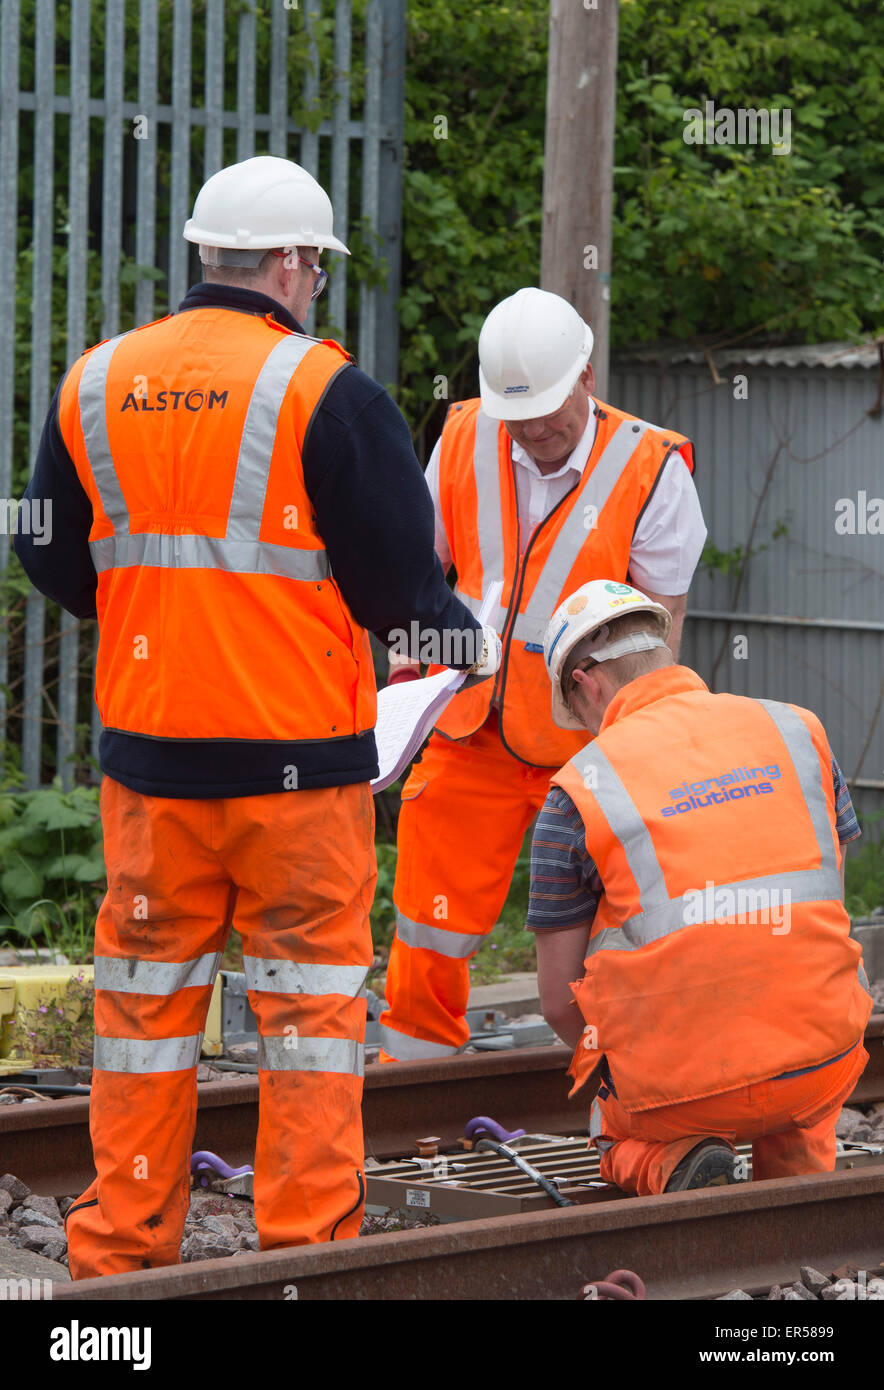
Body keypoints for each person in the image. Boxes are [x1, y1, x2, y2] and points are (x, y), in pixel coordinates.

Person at [14, 155, 499, 1277]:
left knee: (141, 1012)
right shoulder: (326, 392)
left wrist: (153, 608)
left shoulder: (96, 381)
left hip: (150, 773)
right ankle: (303, 1252)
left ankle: (119, 1258)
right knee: (310, 1013)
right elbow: (397, 593)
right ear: (290, 263)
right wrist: (458, 640)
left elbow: (45, 545)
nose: (314, 284)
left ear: (203, 255)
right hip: (298, 777)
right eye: (315, 267)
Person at [378, 287, 706, 1062]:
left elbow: (660, 631)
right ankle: (411, 1089)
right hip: (467, 728)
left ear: (586, 378)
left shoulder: (650, 466)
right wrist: (401, 673)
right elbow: (418, 573)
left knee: (609, 939)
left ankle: (623, 1088)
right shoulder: (462, 436)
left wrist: (645, 749)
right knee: (429, 928)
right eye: (517, 417)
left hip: (589, 745)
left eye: (551, 414)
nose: (534, 431)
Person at [529, 579, 872, 1193]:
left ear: (586, 682)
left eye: (577, 713)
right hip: (823, 1063)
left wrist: (620, 1066)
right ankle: (798, 1202)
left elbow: (558, 1002)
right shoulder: (798, 731)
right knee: (802, 1084)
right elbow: (821, 907)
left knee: (605, 1121)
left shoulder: (578, 790)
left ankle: (675, 1162)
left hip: (677, 1096)